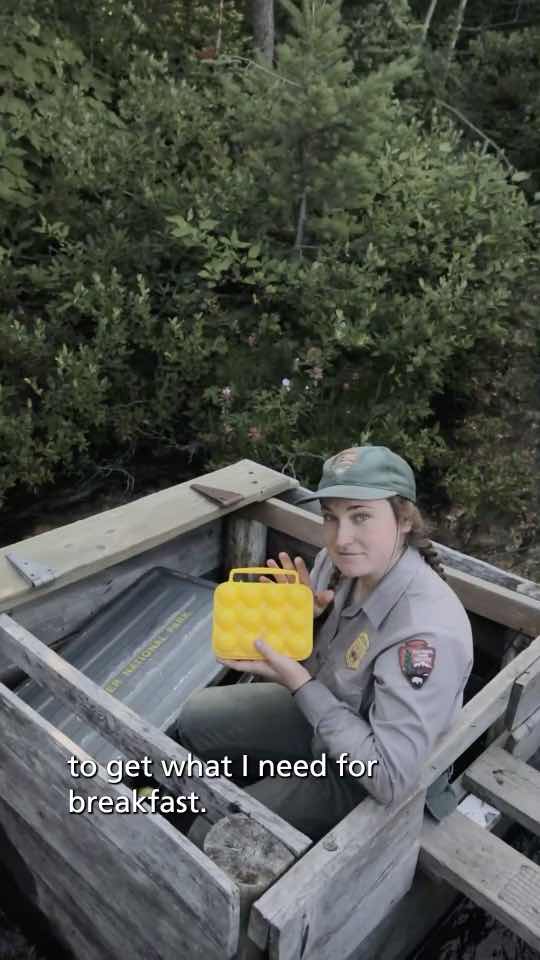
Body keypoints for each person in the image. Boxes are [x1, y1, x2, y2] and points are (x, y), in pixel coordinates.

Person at [175, 445, 474, 842]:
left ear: (404, 519)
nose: (342, 538)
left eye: (361, 516)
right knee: (196, 719)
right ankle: (261, 787)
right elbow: (326, 667)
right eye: (331, 516)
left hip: (357, 778)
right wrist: (306, 620)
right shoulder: (338, 564)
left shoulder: (426, 635)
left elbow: (388, 778)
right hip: (319, 717)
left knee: (211, 833)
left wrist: (299, 684)